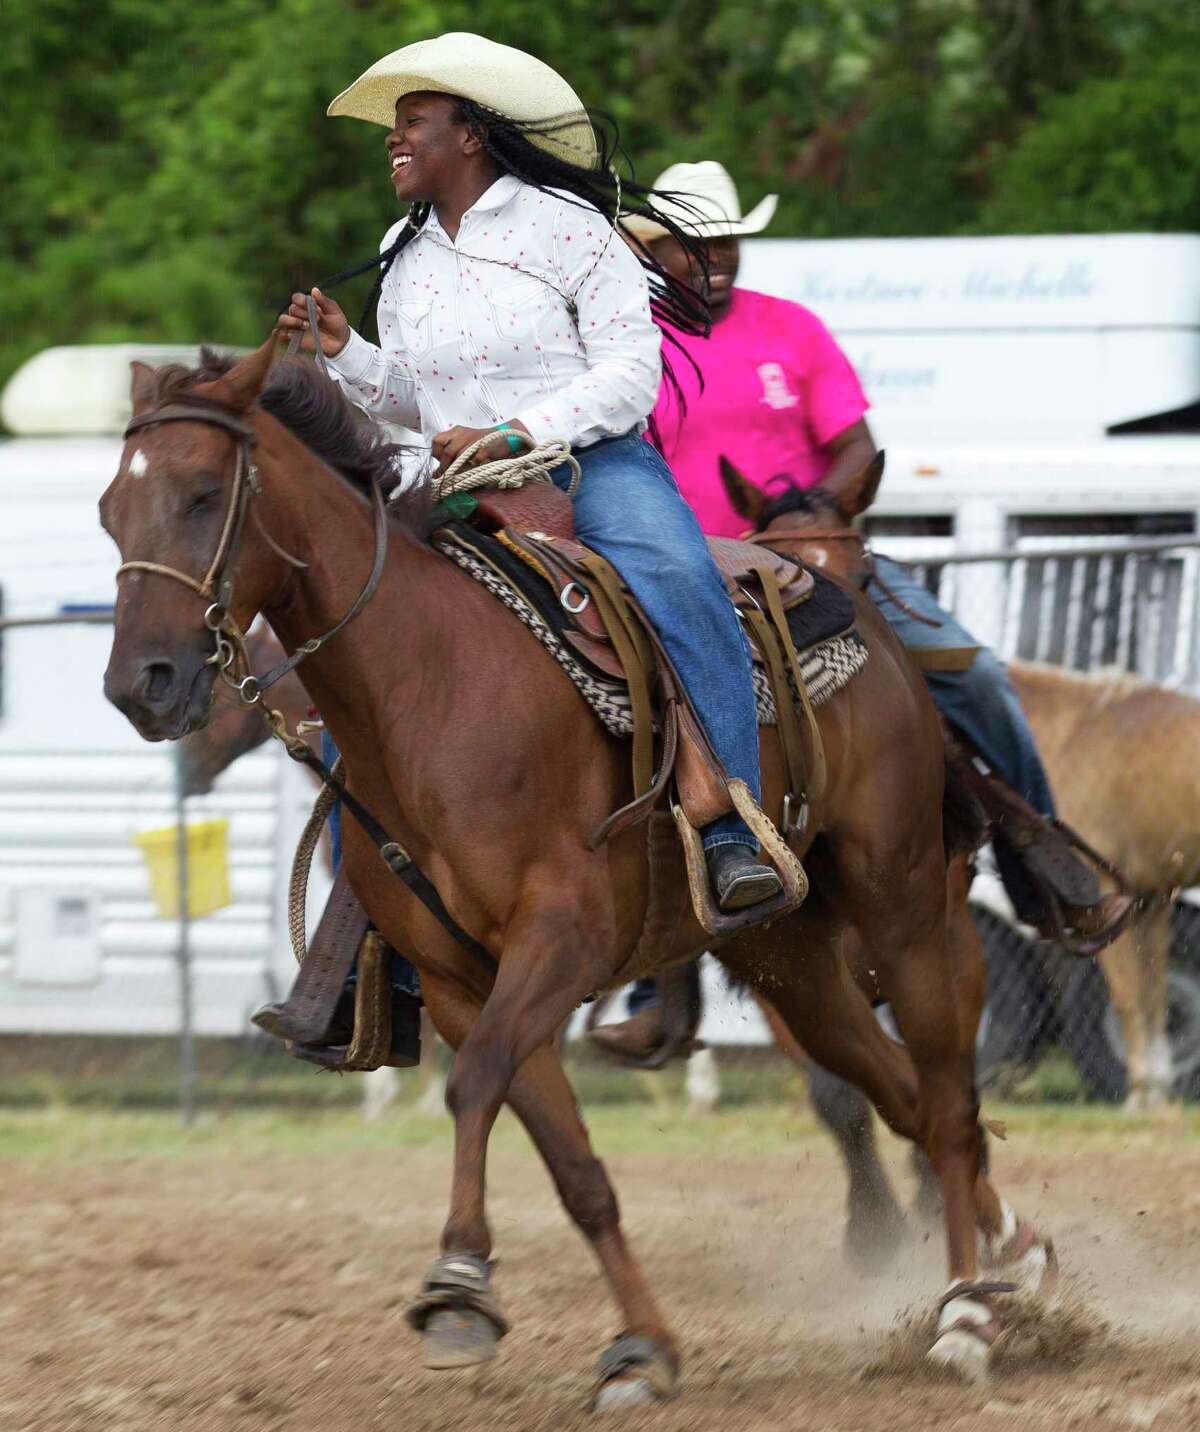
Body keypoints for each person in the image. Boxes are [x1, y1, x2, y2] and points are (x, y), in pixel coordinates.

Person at [591, 160, 1134, 1060]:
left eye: (727, 241)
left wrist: (811, 513)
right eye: (694, 246)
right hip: (684, 583)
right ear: (652, 255)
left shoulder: (790, 330)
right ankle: (659, 982)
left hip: (814, 562)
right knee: (637, 734)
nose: (717, 258)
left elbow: (856, 447)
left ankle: (1046, 861)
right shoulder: (628, 349)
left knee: (976, 675)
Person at [278, 36, 785, 931]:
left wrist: (517, 431)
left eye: (412, 127)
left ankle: (728, 828)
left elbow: (633, 373)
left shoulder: (571, 228)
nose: (393, 144)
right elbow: (413, 398)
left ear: (469, 137)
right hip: (456, 486)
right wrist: (345, 353)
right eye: (394, 130)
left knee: (676, 575)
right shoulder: (403, 250)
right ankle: (374, 906)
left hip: (593, 468)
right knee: (368, 617)